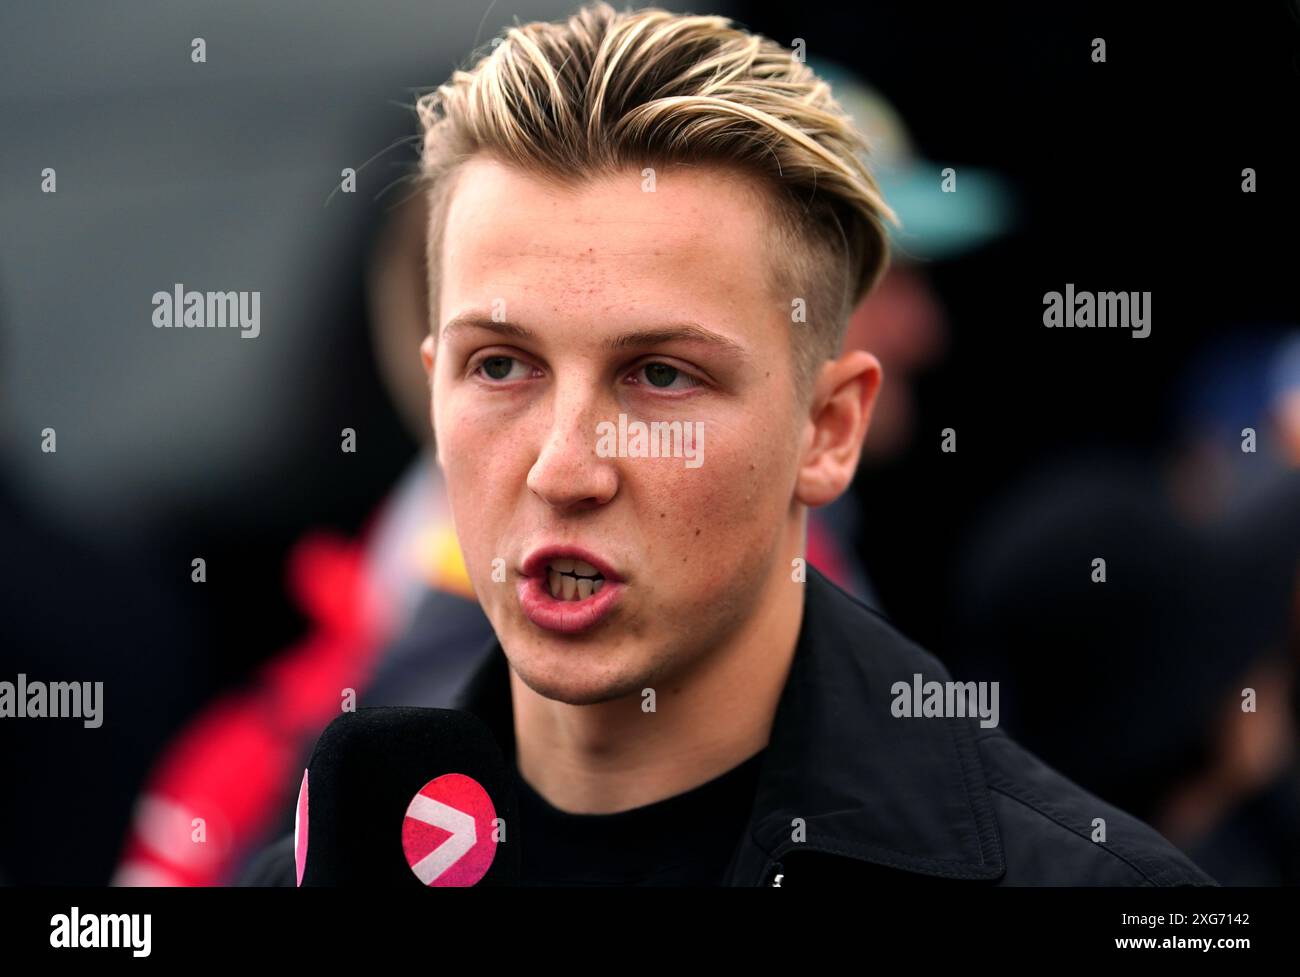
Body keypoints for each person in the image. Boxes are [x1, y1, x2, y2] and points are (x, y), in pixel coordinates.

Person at [244, 1, 1212, 886]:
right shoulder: (311, 866)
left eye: (661, 375)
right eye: (500, 365)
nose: (563, 466)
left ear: (828, 430)